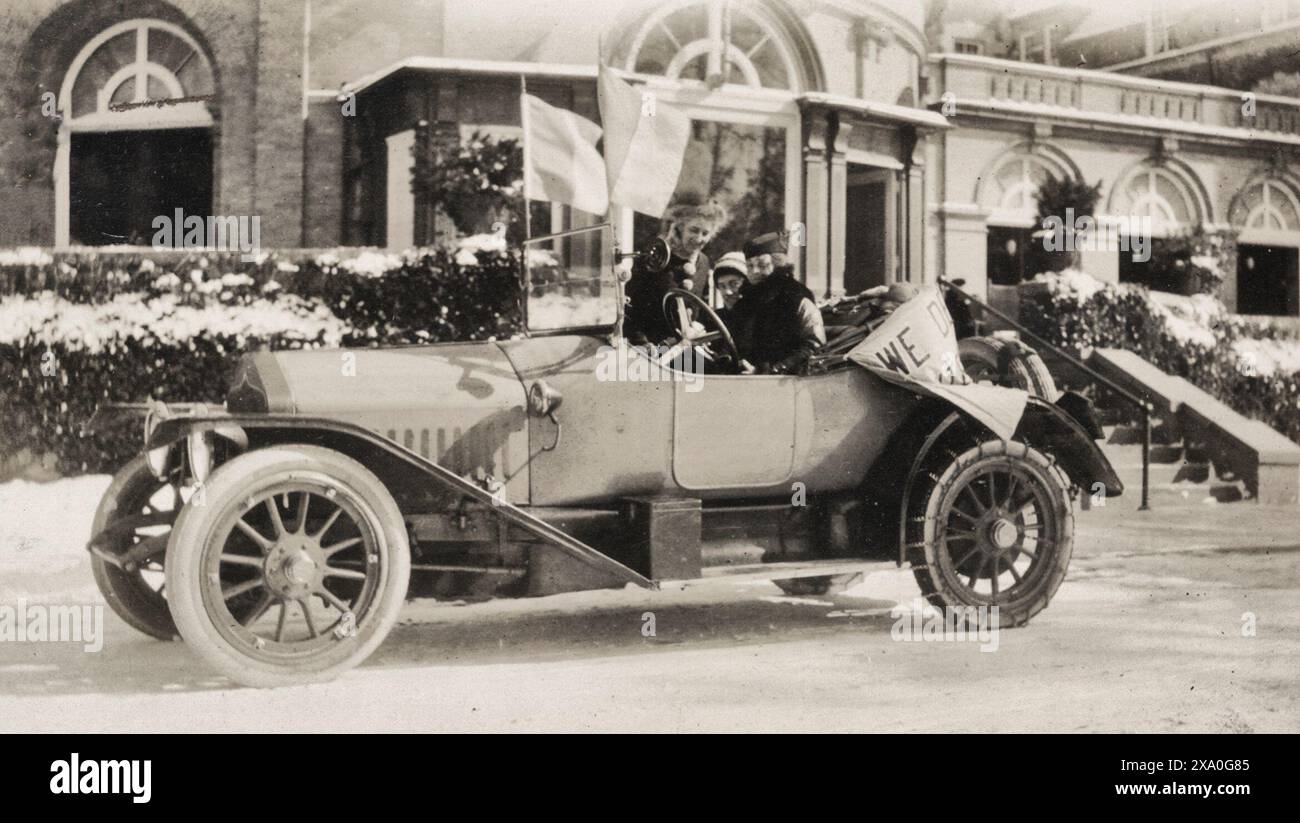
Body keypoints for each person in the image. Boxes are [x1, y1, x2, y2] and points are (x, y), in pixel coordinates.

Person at [623, 195, 727, 346]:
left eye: (705, 233)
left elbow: (700, 308)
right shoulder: (655, 256)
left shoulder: (703, 262)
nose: (699, 239)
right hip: (649, 350)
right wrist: (641, 343)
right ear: (679, 228)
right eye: (694, 230)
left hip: (683, 348)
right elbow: (628, 307)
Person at [729, 232, 826, 374]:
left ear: (778, 264)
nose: (755, 271)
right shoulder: (744, 303)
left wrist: (766, 371)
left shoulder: (797, 297)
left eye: (762, 265)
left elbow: (814, 345)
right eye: (750, 266)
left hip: (783, 383)